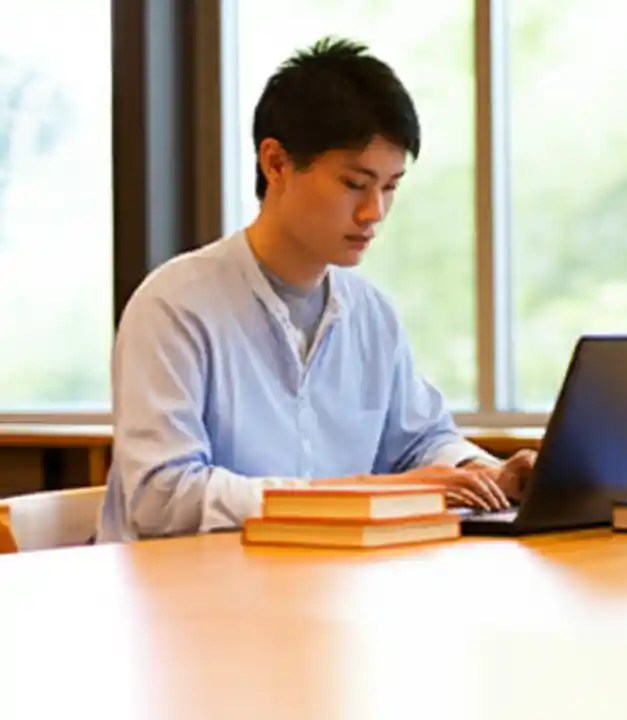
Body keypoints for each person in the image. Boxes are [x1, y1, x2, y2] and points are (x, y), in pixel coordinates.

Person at [97, 37, 534, 542]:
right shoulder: (175, 306)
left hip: (317, 591)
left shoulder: (371, 313)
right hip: (182, 598)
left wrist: (491, 474)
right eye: (354, 184)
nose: (375, 212)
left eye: (390, 187)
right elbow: (165, 497)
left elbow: (421, 442)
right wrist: (365, 493)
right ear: (276, 163)